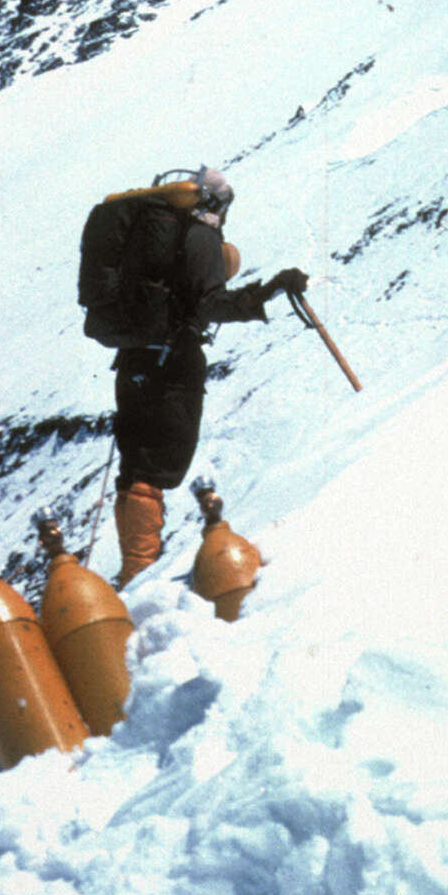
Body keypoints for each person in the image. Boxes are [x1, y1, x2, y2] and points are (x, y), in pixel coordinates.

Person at [110, 166, 307, 588]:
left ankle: (133, 569)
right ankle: (139, 573)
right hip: (172, 363)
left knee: (134, 466)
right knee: (161, 464)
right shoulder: (198, 238)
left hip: (132, 362)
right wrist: (269, 291)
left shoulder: (145, 239)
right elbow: (211, 306)